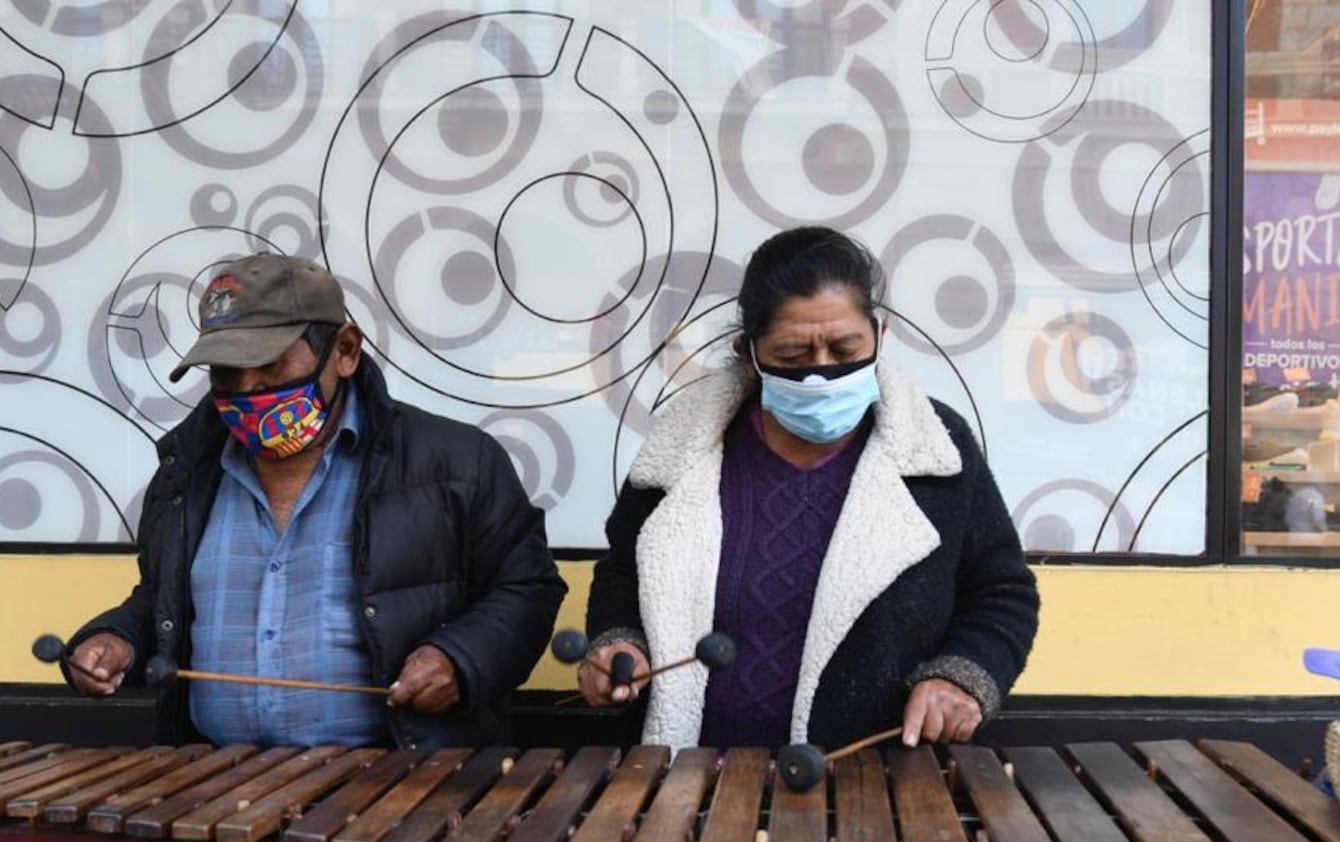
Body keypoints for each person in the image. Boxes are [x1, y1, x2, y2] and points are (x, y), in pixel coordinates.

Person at [62, 252, 566, 752]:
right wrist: (120, 637)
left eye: (267, 366)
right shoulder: (185, 475)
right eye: (225, 372)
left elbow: (527, 588)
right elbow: (163, 600)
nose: (247, 390)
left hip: (401, 788)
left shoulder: (458, 462)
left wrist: (459, 658)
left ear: (344, 350)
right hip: (216, 784)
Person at [578, 227, 1038, 750]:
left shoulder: (936, 448)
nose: (821, 373)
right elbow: (622, 571)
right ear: (748, 352)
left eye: (845, 348)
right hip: (691, 776)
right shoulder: (683, 444)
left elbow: (1002, 593)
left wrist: (963, 676)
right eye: (793, 355)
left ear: (880, 335)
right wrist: (621, 645)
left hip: (872, 781)